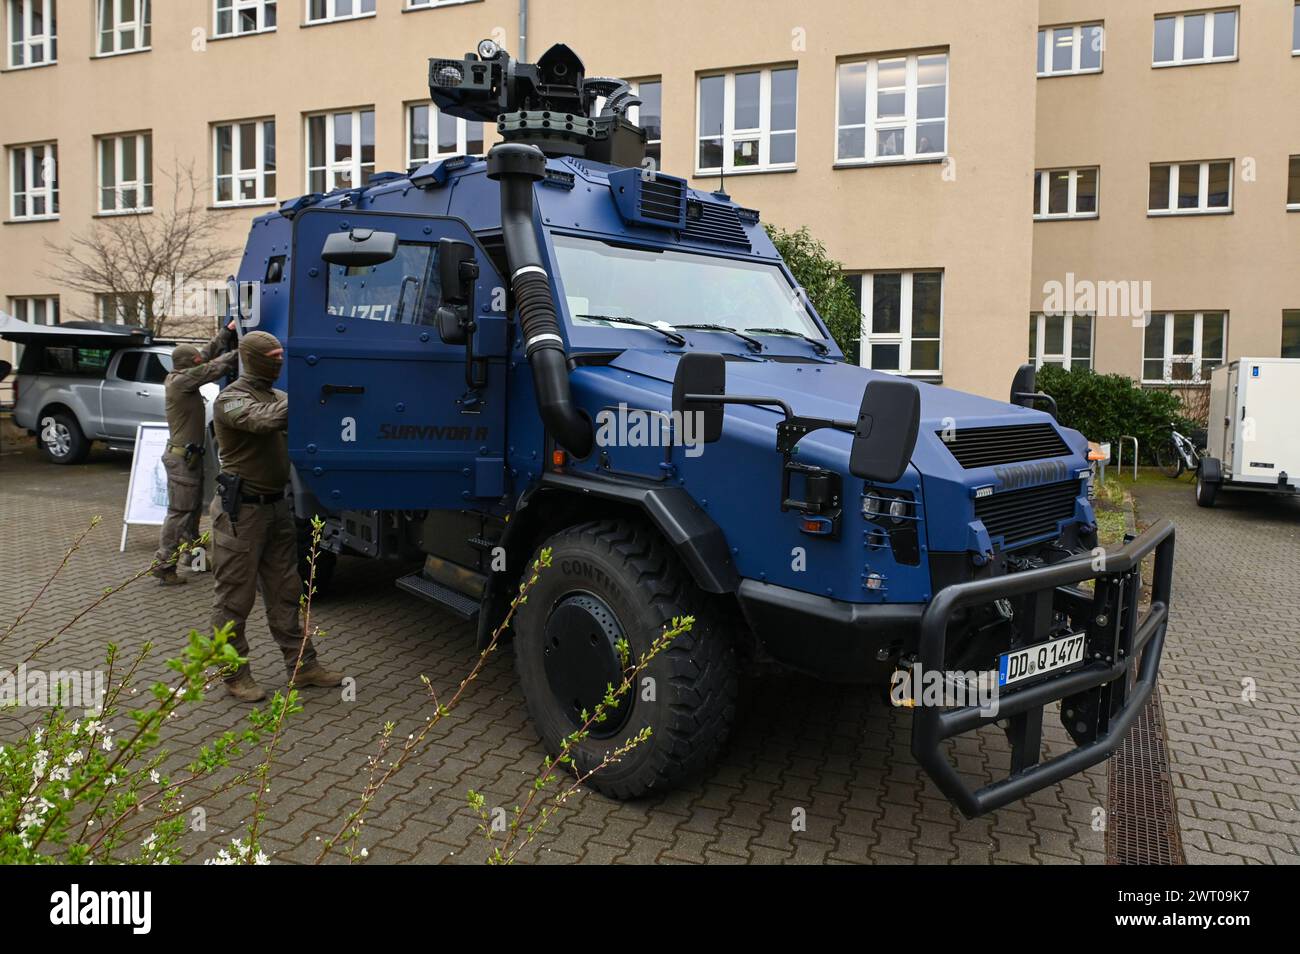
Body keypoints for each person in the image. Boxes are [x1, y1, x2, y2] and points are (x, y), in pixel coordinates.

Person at [209, 330, 342, 702]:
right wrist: (305, 390)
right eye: (272, 355)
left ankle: (303, 666)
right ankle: (233, 674)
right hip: (241, 513)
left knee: (286, 591)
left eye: (281, 354)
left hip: (276, 508)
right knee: (234, 599)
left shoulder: (280, 396)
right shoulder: (230, 399)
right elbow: (263, 421)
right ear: (252, 358)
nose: (278, 360)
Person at [153, 322, 238, 585]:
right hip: (182, 461)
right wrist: (244, 350)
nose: (200, 360)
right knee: (180, 512)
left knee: (191, 513)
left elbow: (206, 354)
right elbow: (212, 367)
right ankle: (164, 565)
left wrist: (228, 331)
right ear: (188, 364)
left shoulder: (182, 375)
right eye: (196, 360)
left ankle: (196, 559)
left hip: (189, 457)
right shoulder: (180, 381)